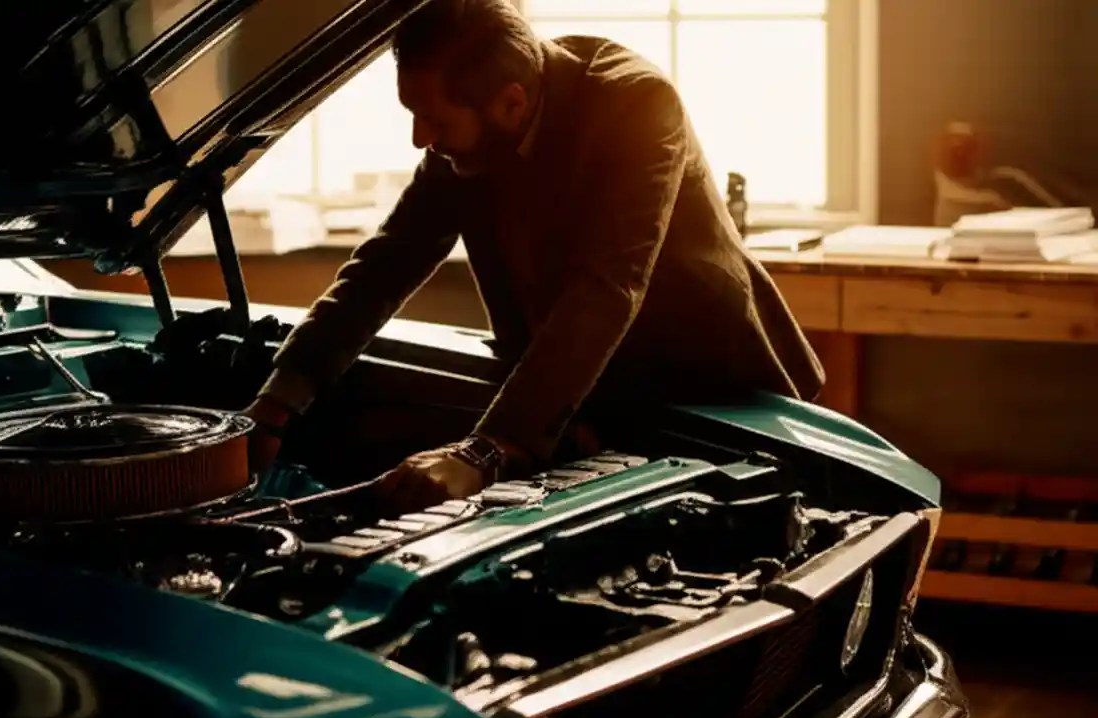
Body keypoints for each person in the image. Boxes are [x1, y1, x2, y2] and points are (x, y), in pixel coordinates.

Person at [243, 0, 824, 513]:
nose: (420, 139)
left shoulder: (638, 103)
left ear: (512, 103)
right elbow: (389, 260)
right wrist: (279, 399)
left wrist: (483, 450)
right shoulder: (468, 133)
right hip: (579, 401)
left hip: (713, 397)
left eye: (435, 121)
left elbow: (606, 286)